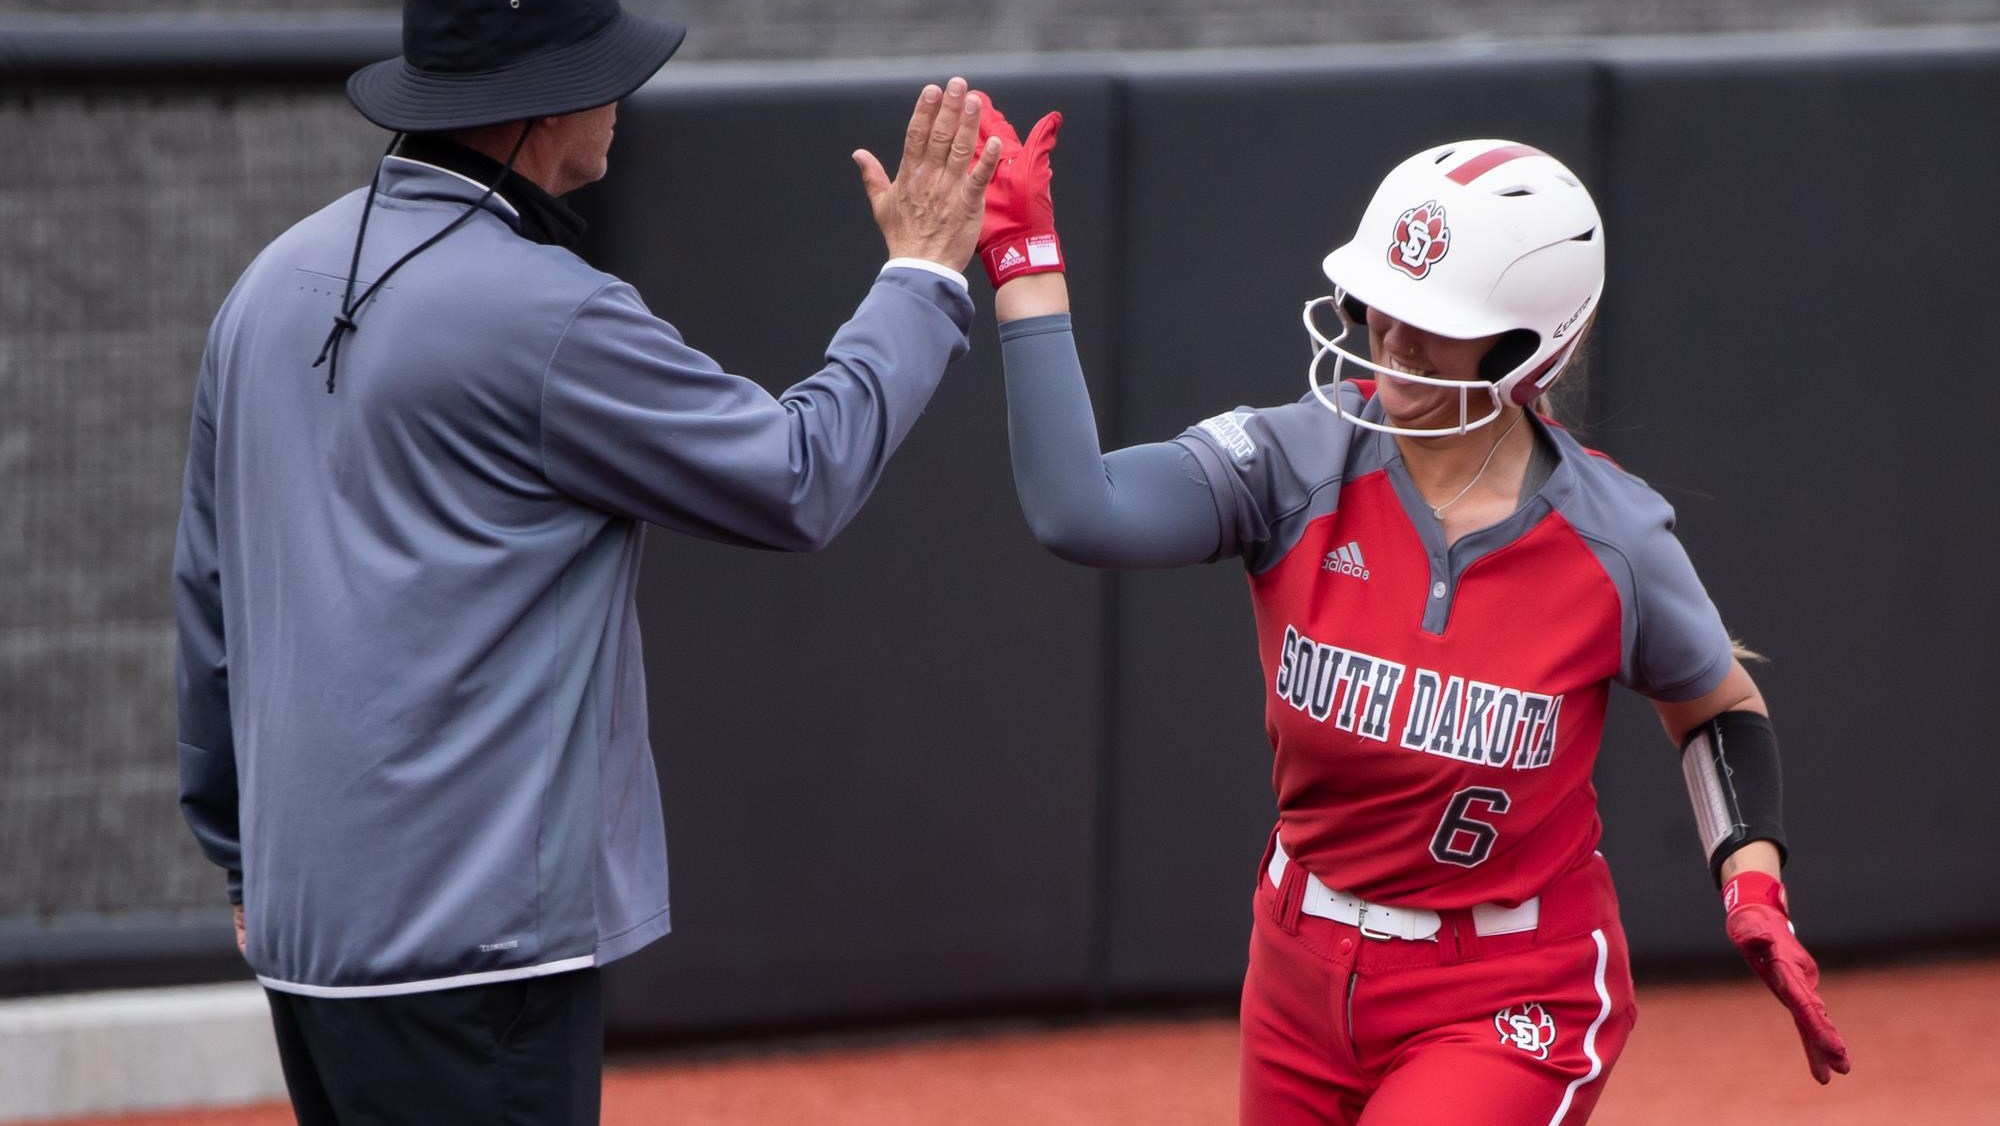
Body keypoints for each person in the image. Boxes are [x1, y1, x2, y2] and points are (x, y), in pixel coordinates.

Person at [171, 0, 1001, 1118]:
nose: (621, 93)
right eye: (601, 69)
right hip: (481, 958)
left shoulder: (265, 284)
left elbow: (208, 602)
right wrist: (920, 278)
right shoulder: (550, 316)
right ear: (536, 104)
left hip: (303, 937)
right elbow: (798, 475)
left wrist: (239, 857)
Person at [973, 103, 1850, 1124]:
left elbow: (1715, 706)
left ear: (1524, 344)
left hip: (1508, 989)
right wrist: (1024, 263)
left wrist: (1751, 885)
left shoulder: (1613, 540)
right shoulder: (1295, 460)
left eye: (1434, 322)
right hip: (1298, 969)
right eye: (1378, 302)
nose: (1388, 336)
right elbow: (1078, 510)